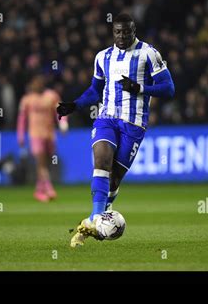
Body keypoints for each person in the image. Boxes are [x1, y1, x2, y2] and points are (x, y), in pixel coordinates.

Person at [57, 13, 175, 247]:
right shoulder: (103, 57)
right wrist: (76, 104)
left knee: (114, 180)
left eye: (126, 31)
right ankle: (98, 218)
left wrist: (139, 87)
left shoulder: (148, 53)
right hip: (107, 118)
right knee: (101, 161)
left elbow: (169, 88)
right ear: (113, 32)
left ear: (134, 30)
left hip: (134, 123)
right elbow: (95, 90)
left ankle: (91, 222)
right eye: (118, 32)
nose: (122, 36)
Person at [17, 75, 68, 202]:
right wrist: (21, 135)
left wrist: (62, 123)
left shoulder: (51, 96)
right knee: (40, 163)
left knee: (46, 163)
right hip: (35, 135)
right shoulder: (27, 99)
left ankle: (39, 191)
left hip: (49, 135)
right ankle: (49, 188)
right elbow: (22, 119)